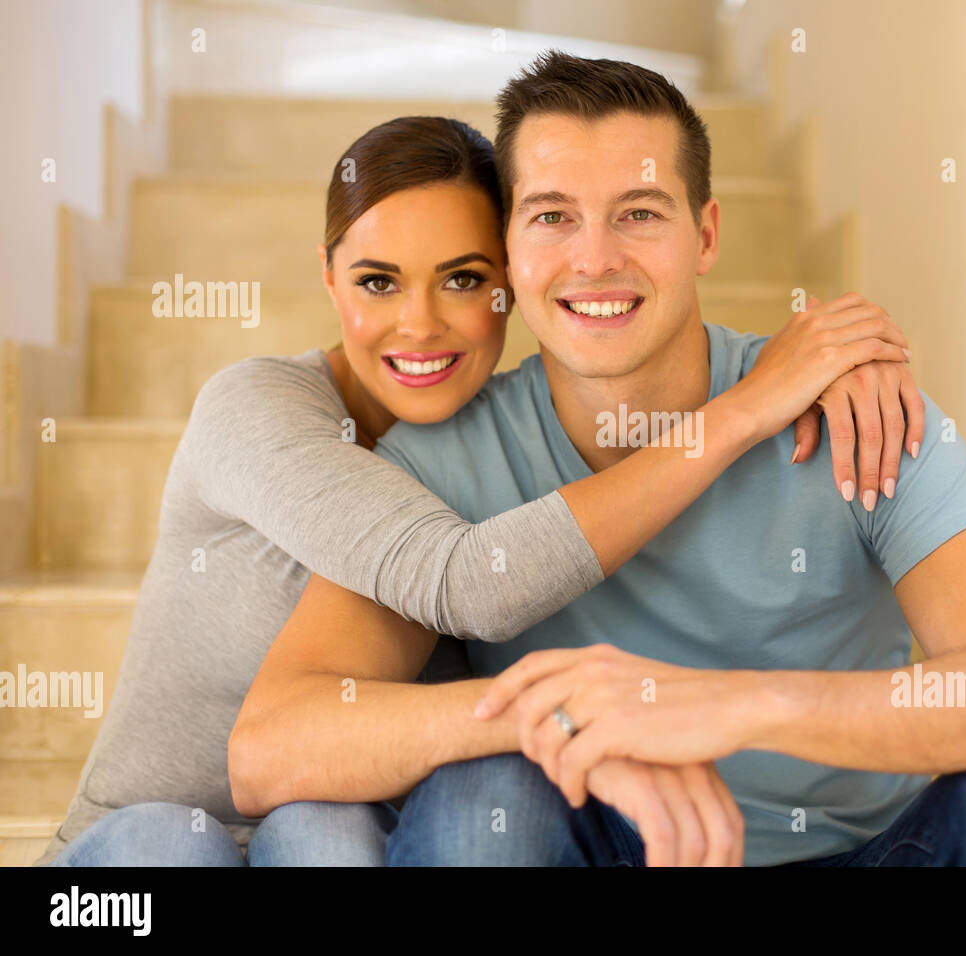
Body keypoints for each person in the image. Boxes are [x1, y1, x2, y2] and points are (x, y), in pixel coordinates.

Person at [42, 111, 918, 866]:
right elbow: (468, 581)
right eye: (377, 281)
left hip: (337, 822)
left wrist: (821, 369)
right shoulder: (256, 407)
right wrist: (746, 407)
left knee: (333, 830)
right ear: (328, 277)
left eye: (463, 279)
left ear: (512, 280)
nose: (419, 325)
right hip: (139, 851)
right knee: (174, 838)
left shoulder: (492, 454)